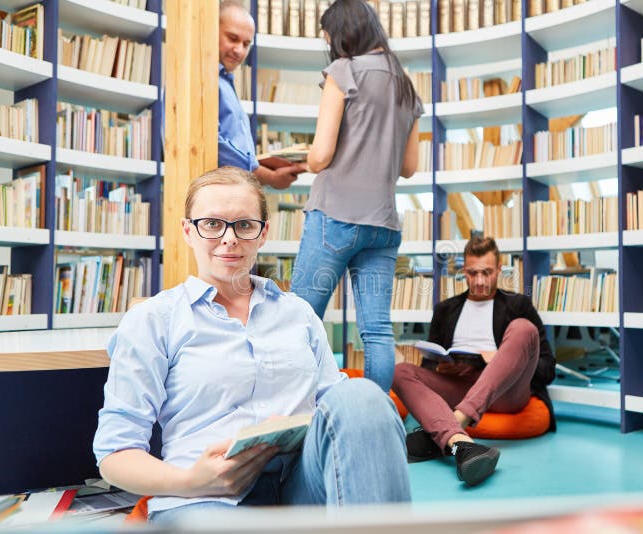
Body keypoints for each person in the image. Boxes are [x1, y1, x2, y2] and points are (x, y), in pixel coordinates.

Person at [93, 167, 411, 523]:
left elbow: (339, 412)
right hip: (202, 497)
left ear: (263, 234)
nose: (229, 239)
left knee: (364, 397)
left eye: (244, 225)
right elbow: (114, 453)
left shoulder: (299, 314)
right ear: (188, 231)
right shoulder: (155, 319)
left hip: (300, 484)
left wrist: (297, 424)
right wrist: (191, 481)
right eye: (212, 224)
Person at [290, 0, 423, 392]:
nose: (329, 45)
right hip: (383, 225)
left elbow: (320, 156)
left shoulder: (343, 70)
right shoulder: (405, 84)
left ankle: (299, 417)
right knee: (378, 331)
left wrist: (300, 158)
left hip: (334, 216)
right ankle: (377, 420)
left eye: (328, 37)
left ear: (343, 33)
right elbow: (409, 167)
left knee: (301, 319)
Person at [391, 237, 556, 486]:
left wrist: (502, 359)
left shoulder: (518, 304)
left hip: (506, 392)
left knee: (523, 328)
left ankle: (453, 425)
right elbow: (427, 368)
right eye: (472, 273)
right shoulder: (446, 309)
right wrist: (442, 368)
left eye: (487, 273)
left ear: (499, 270)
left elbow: (547, 369)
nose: (479, 281)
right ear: (463, 272)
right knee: (400, 371)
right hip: (459, 386)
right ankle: (463, 445)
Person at [218, 0, 302, 189]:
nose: (239, 50)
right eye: (232, 38)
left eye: (246, 44)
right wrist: (268, 176)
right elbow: (214, 145)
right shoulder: (204, 80)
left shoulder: (225, 82)